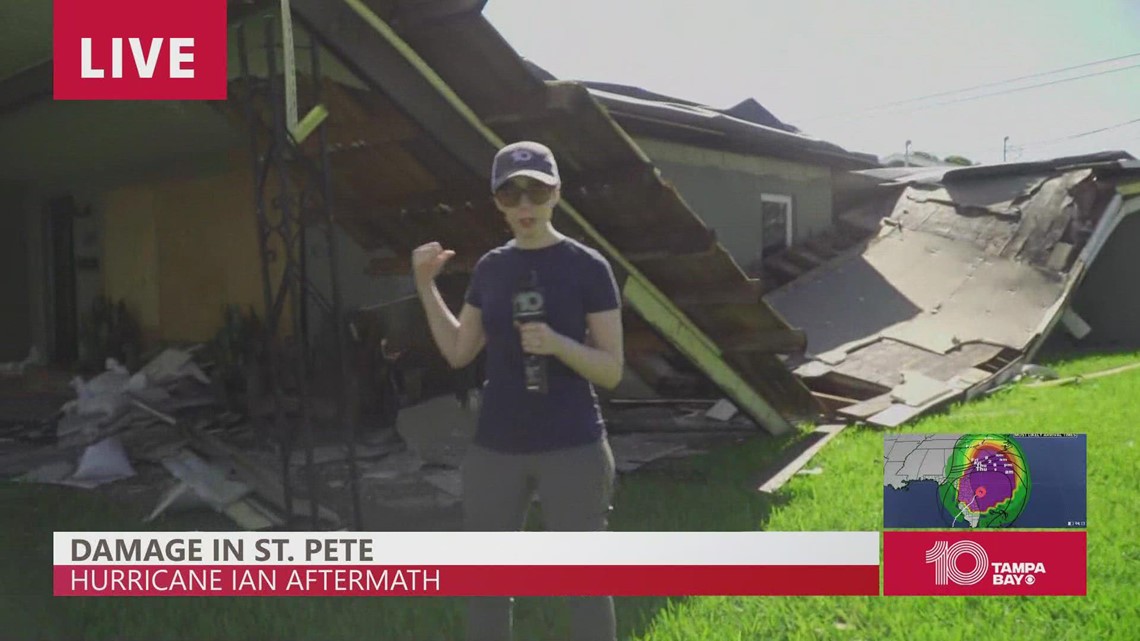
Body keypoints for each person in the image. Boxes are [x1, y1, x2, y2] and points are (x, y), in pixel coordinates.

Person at [412, 141, 624, 641]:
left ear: (557, 195)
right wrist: (425, 286)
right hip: (496, 449)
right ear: (498, 202)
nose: (525, 205)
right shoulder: (491, 268)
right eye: (511, 194)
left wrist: (557, 344)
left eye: (536, 191)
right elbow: (460, 351)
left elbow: (612, 370)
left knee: (586, 585)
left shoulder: (588, 267)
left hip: (573, 446)